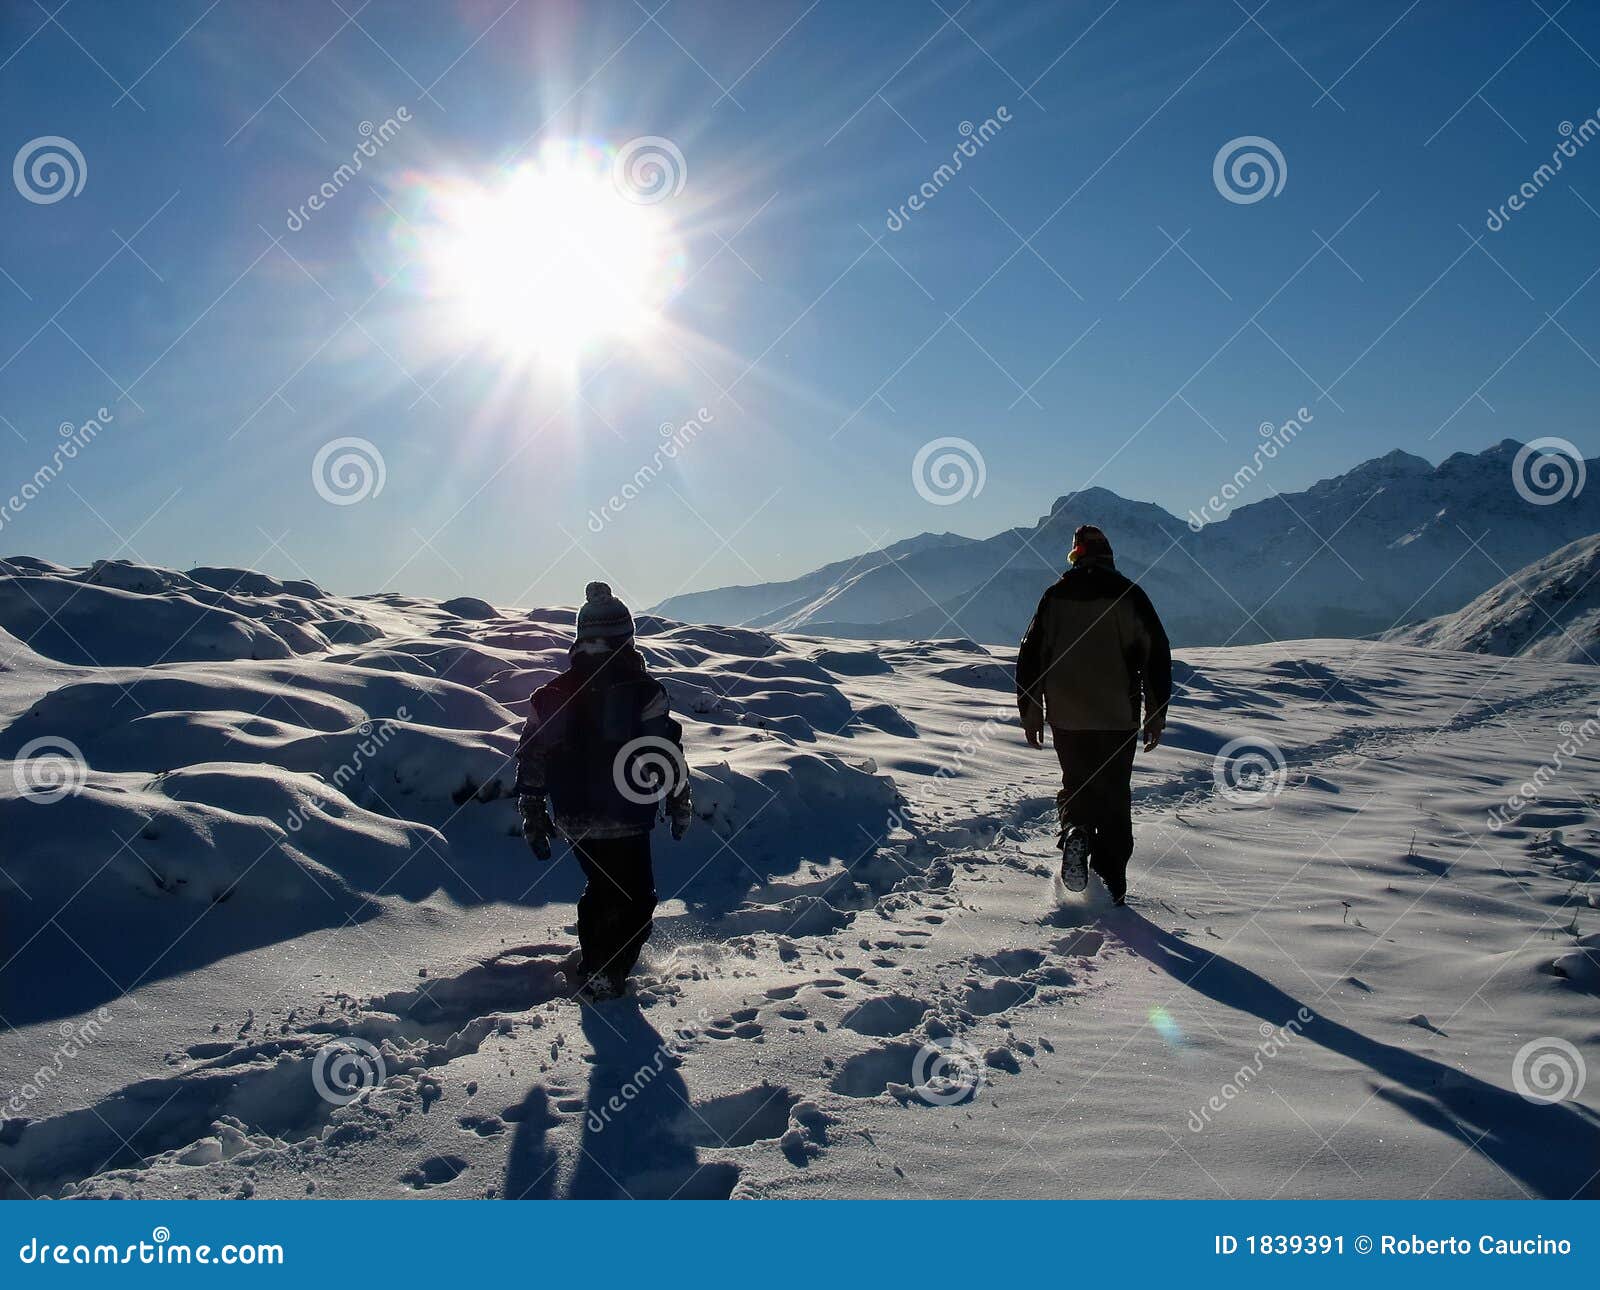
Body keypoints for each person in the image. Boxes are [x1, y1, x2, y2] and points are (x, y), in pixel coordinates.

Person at [515, 582, 693, 1001]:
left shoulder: (551, 693)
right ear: (625, 637)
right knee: (638, 899)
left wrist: (534, 810)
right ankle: (606, 974)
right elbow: (663, 750)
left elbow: (532, 755)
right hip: (627, 812)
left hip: (573, 812)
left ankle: (595, 965)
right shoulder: (645, 691)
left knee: (601, 888)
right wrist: (678, 799)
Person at [1015, 525, 1171, 906]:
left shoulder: (1055, 596)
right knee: (1114, 795)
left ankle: (1074, 830)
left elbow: (1031, 656)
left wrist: (1031, 711)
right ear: (1109, 557)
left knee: (1077, 784)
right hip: (1117, 715)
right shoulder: (1130, 595)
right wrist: (1156, 712)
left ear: (1076, 556)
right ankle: (1111, 885)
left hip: (1067, 716)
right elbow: (1155, 655)